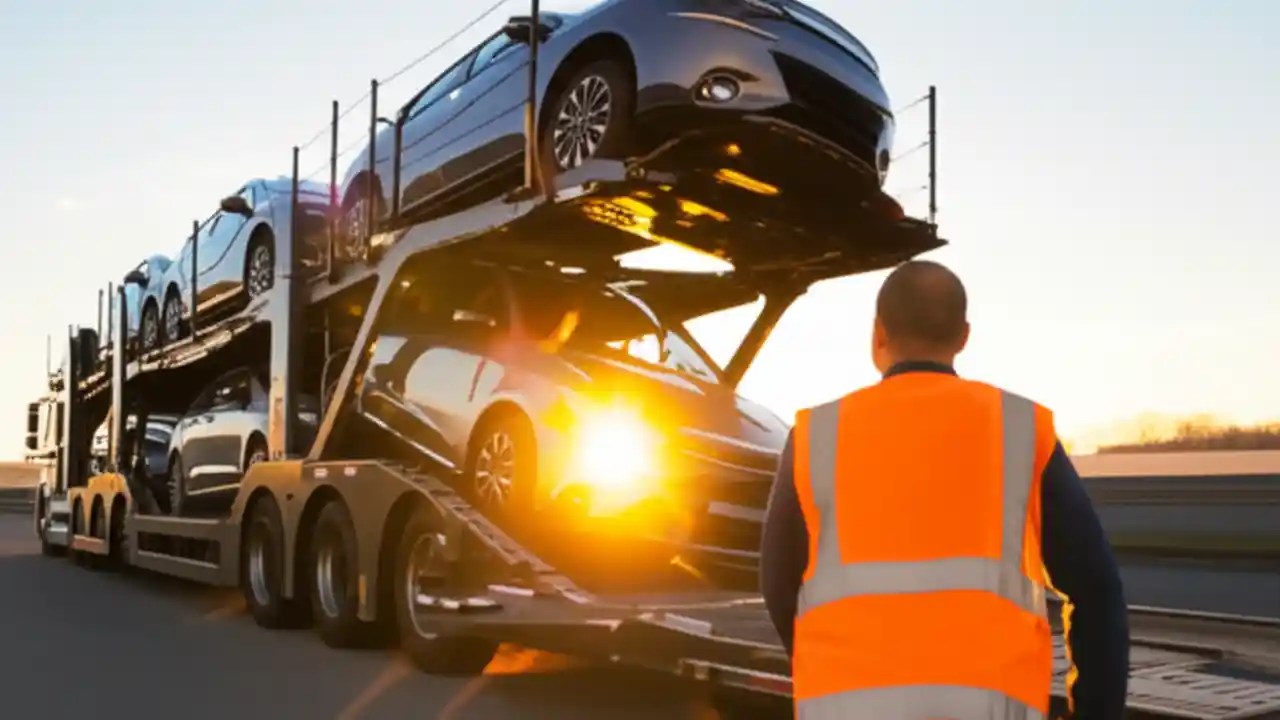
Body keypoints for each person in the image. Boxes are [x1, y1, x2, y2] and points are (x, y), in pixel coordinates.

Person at [760, 260, 1129, 719]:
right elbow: (1096, 588)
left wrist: (830, 672)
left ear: (877, 335)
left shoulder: (816, 434)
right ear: (963, 337)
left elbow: (778, 583)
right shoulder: (1020, 429)